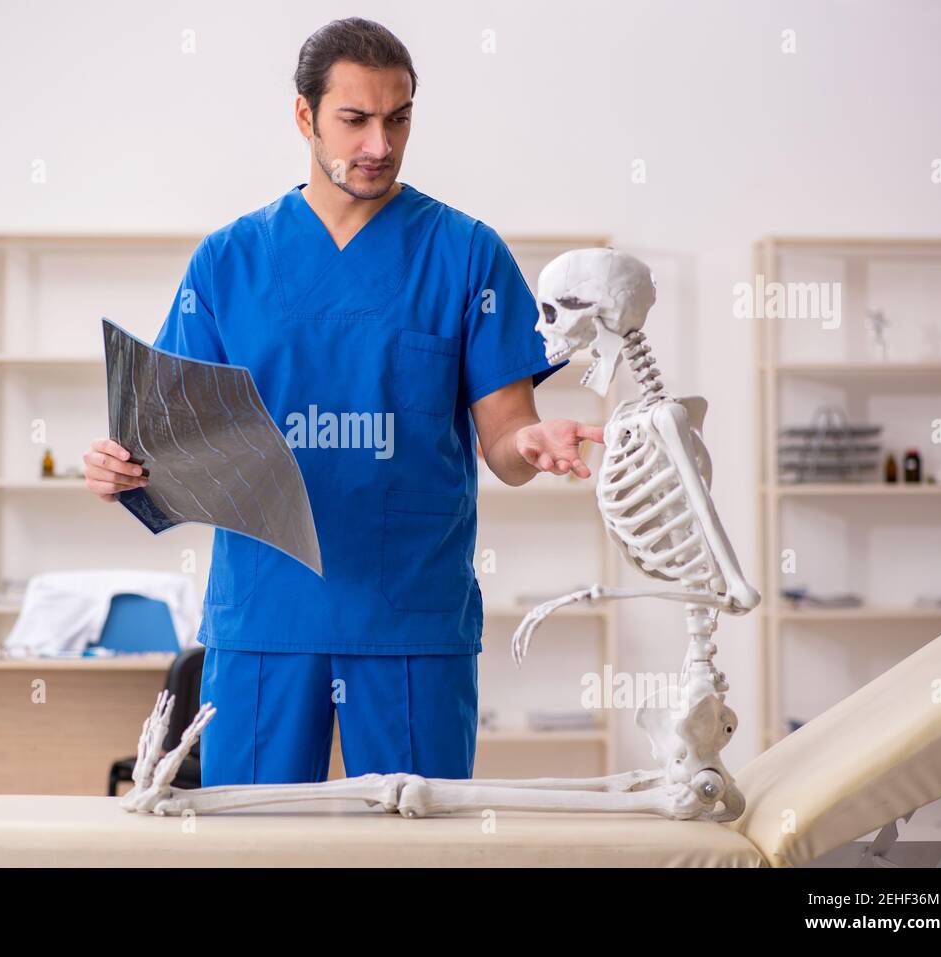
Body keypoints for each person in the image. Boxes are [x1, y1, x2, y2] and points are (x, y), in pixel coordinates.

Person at [84, 17, 604, 787]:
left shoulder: (466, 253)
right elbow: (174, 442)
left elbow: (505, 441)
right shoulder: (229, 261)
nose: (379, 145)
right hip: (266, 617)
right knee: (251, 846)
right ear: (305, 117)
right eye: (355, 120)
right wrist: (120, 466)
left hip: (411, 618)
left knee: (420, 848)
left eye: (398, 119)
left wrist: (530, 443)